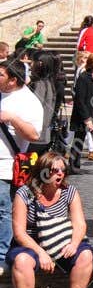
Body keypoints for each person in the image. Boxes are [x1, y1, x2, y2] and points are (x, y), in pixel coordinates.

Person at [7, 150, 93, 288]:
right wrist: (41, 253)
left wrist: (73, 244)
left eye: (62, 170)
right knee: (22, 261)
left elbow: (79, 224)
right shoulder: (24, 193)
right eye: (55, 170)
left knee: (86, 254)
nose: (60, 174)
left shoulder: (69, 192)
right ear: (43, 170)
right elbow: (19, 232)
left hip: (60, 240)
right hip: (31, 243)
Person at [0, 59, 45, 265]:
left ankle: (1, 258)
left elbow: (34, 135)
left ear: (13, 80)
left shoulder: (28, 101)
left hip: (6, 165)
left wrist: (12, 118)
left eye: (1, 75)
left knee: (4, 210)